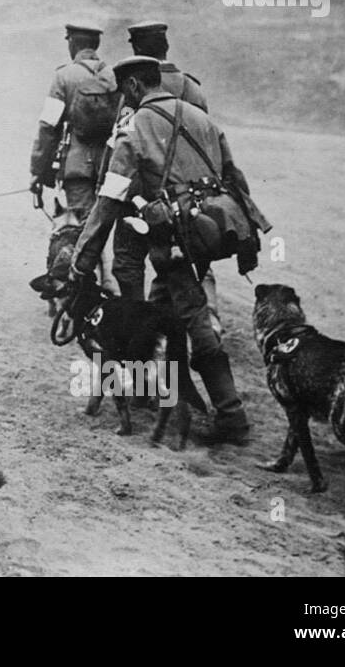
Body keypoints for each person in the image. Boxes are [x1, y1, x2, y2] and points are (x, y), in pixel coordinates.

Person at [70, 55, 254, 445]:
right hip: (206, 233)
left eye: (125, 91)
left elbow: (108, 201)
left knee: (193, 317)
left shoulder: (135, 127)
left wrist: (83, 259)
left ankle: (231, 414)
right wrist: (248, 238)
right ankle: (153, 393)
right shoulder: (201, 117)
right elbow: (235, 179)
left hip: (173, 241)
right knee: (162, 315)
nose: (124, 99)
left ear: (135, 87)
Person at [110, 21, 210, 303]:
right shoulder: (193, 88)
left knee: (128, 264)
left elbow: (123, 140)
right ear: (165, 46)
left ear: (138, 49)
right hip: (188, 200)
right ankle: (176, 340)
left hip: (142, 199)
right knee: (179, 272)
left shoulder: (135, 86)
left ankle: (138, 328)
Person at [29, 22, 118, 222]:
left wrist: (38, 171)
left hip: (77, 167)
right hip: (112, 165)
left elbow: (48, 127)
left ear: (72, 43)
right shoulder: (115, 76)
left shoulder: (64, 76)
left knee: (81, 230)